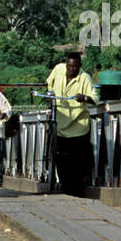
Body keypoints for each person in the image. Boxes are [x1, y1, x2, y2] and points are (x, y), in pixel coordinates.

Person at [46, 51, 97, 197]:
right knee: (61, 159)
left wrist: (84, 98)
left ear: (79, 66)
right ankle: (65, 187)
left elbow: (95, 98)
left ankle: (76, 190)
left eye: (74, 67)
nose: (71, 69)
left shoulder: (84, 78)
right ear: (65, 64)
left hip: (78, 126)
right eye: (69, 66)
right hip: (60, 125)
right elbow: (49, 84)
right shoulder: (58, 70)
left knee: (78, 161)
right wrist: (50, 96)